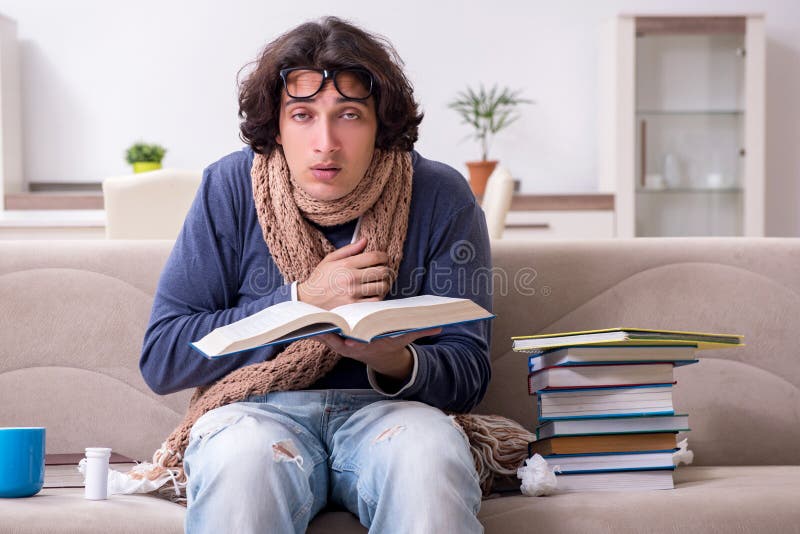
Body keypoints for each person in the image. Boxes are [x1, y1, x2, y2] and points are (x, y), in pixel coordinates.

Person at [139, 15, 492, 534]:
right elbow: (163, 358)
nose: (326, 142)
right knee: (242, 466)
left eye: (349, 114)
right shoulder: (229, 186)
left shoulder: (441, 194)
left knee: (428, 458)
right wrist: (302, 300)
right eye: (302, 115)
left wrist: (397, 362)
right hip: (257, 412)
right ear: (276, 127)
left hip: (392, 413)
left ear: (381, 125)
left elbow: (471, 371)